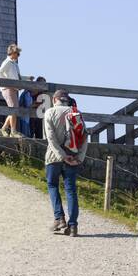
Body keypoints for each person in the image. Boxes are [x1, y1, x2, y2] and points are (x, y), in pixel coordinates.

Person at [43, 89, 88, 236]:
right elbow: (84, 137)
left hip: (53, 157)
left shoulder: (49, 113)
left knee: (52, 185)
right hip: (73, 157)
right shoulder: (76, 113)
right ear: (67, 100)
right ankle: (73, 226)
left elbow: (50, 138)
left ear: (54, 99)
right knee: (71, 190)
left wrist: (61, 156)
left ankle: (59, 218)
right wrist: (79, 158)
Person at [0, 44, 29, 137]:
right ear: (13, 53)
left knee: (14, 109)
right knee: (13, 109)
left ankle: (3, 129)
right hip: (8, 88)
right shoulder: (7, 62)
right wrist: (7, 83)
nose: (18, 55)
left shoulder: (14, 64)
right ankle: (13, 131)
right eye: (17, 53)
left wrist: (27, 78)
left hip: (13, 88)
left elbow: (18, 77)